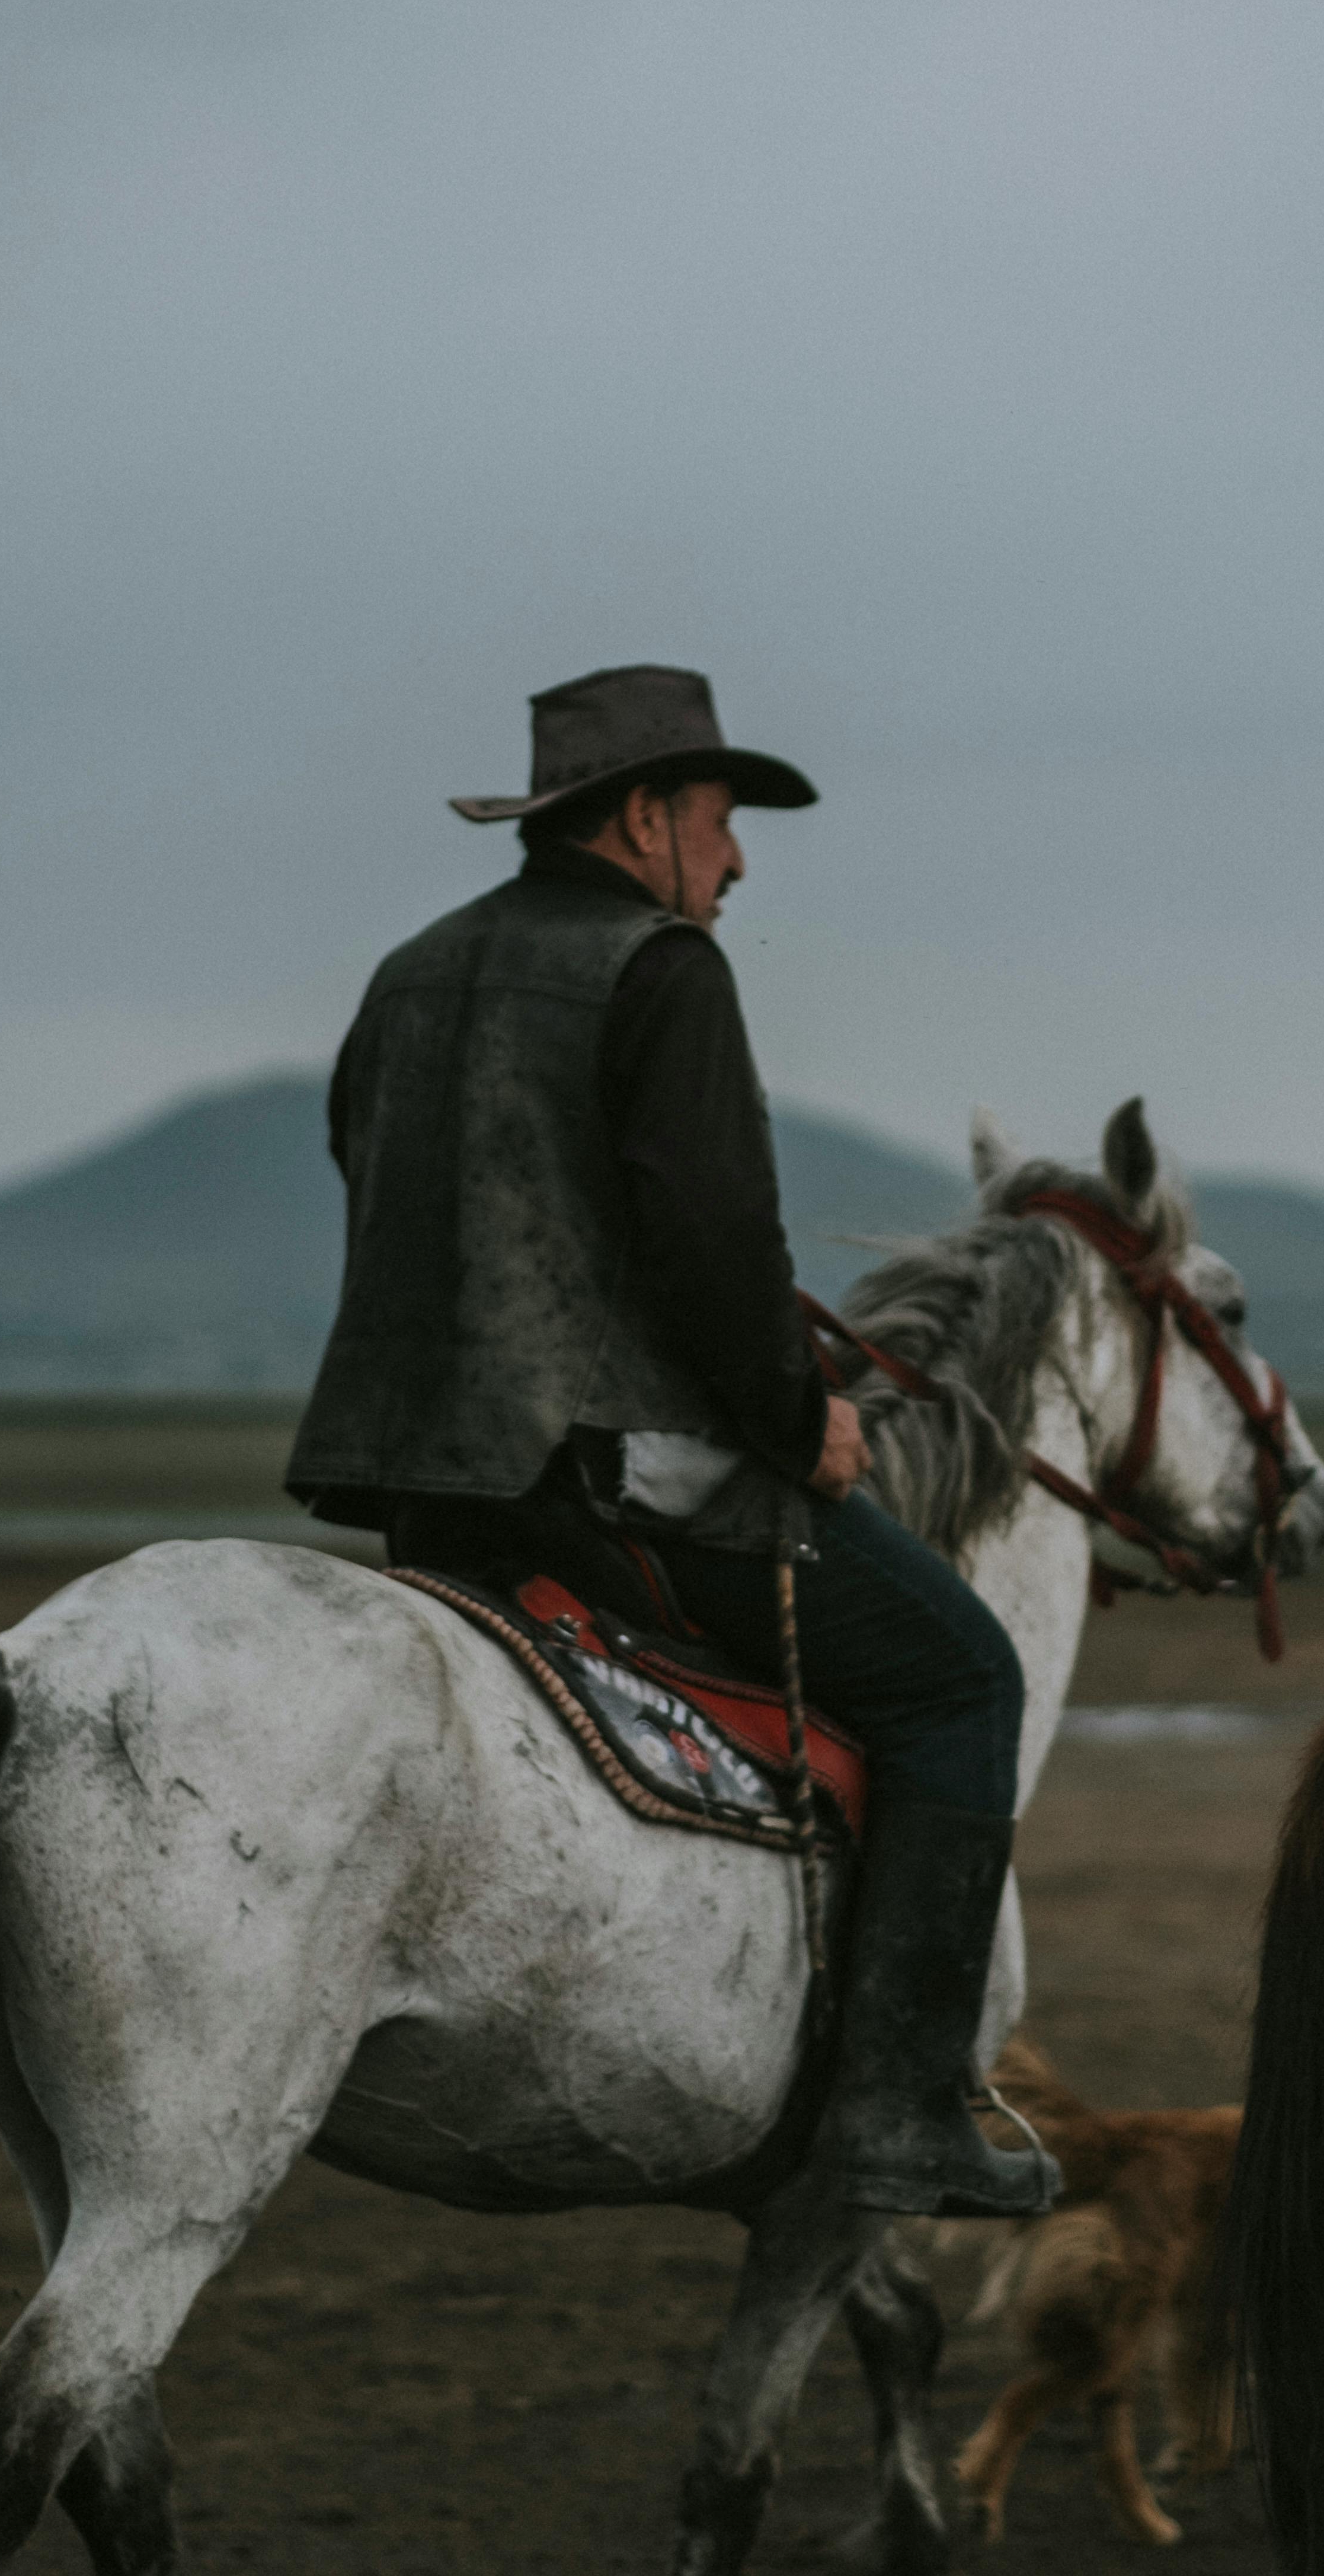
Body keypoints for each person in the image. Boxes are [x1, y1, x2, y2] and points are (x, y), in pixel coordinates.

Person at [288, 664, 1054, 2221]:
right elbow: (709, 1245)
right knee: (964, 1672)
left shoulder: (409, 973)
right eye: (719, 822)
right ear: (644, 818)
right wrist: (801, 1421)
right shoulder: (664, 969)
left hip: (419, 1491)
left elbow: (377, 1175)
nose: (738, 862)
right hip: (600, 1477)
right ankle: (904, 2110)